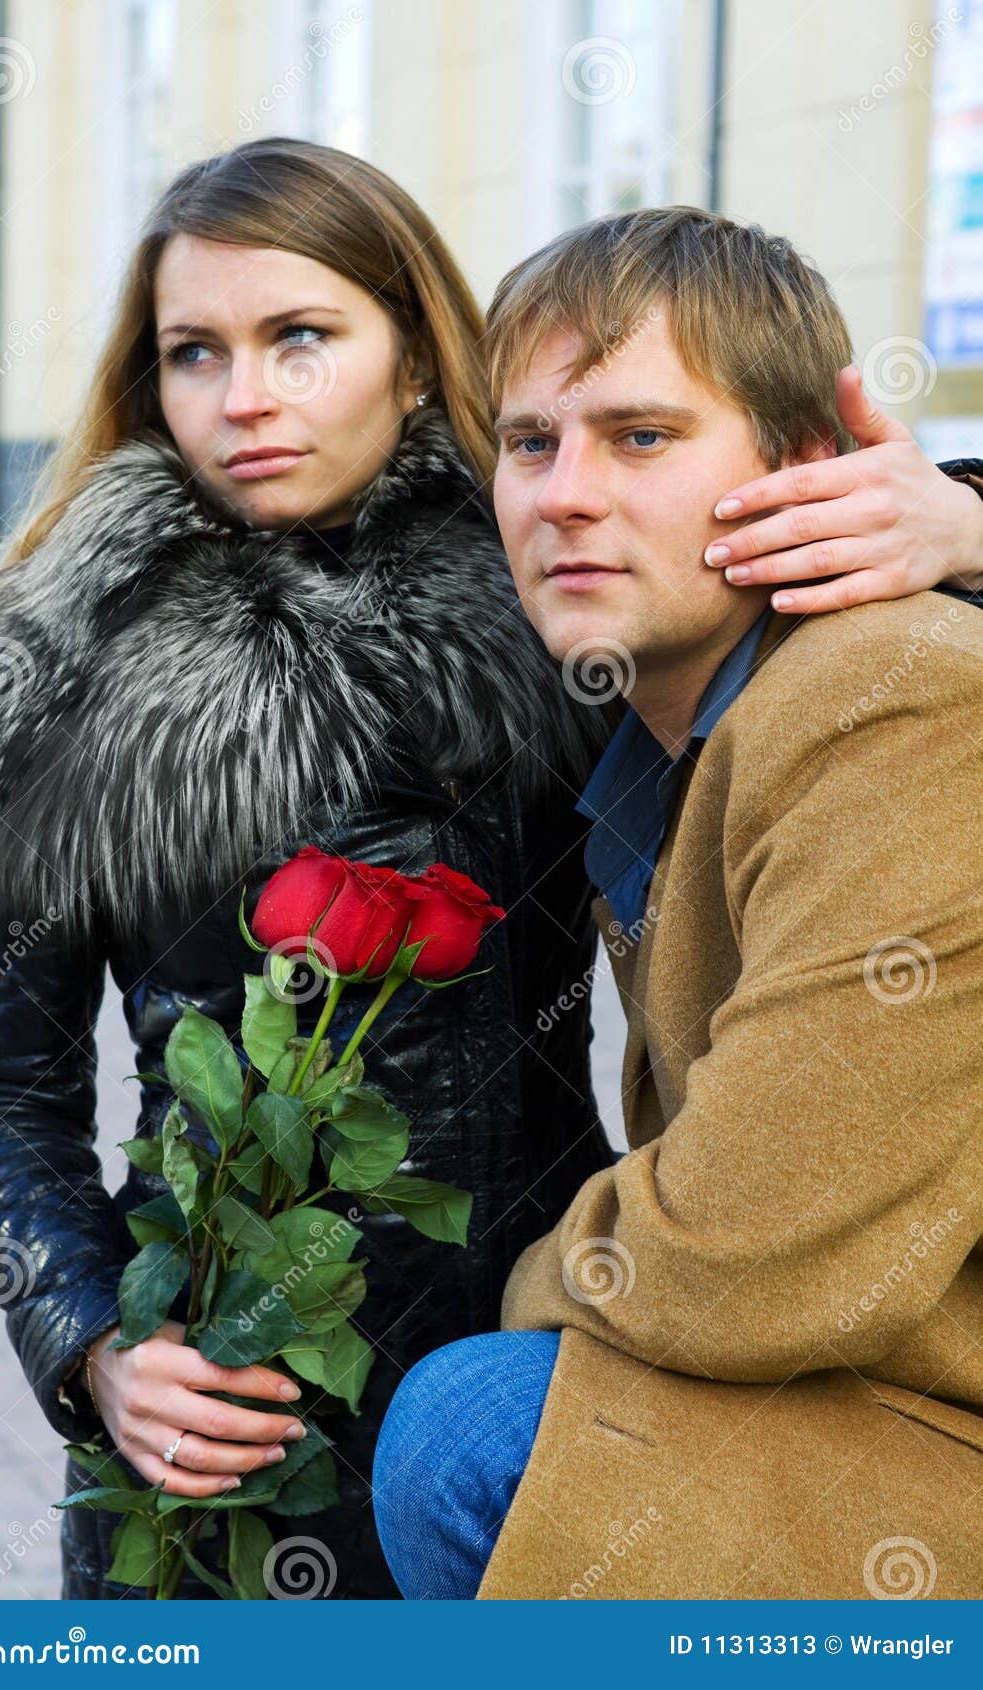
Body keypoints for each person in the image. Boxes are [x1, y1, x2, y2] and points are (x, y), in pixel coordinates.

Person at [0, 143, 983, 1602]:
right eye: (193, 351)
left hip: (549, 1362)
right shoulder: (56, 680)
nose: (243, 398)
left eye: (299, 337)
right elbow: (0, 1083)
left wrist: (964, 524)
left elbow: (793, 590)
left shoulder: (569, 613)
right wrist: (97, 1344)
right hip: (224, 1388)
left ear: (415, 361)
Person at [372, 206, 983, 1602]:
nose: (563, 493)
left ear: (809, 470)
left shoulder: (883, 698)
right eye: (529, 443)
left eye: (639, 437)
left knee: (477, 1424)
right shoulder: (673, 727)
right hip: (894, 1376)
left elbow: (754, 1254)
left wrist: (529, 1280)